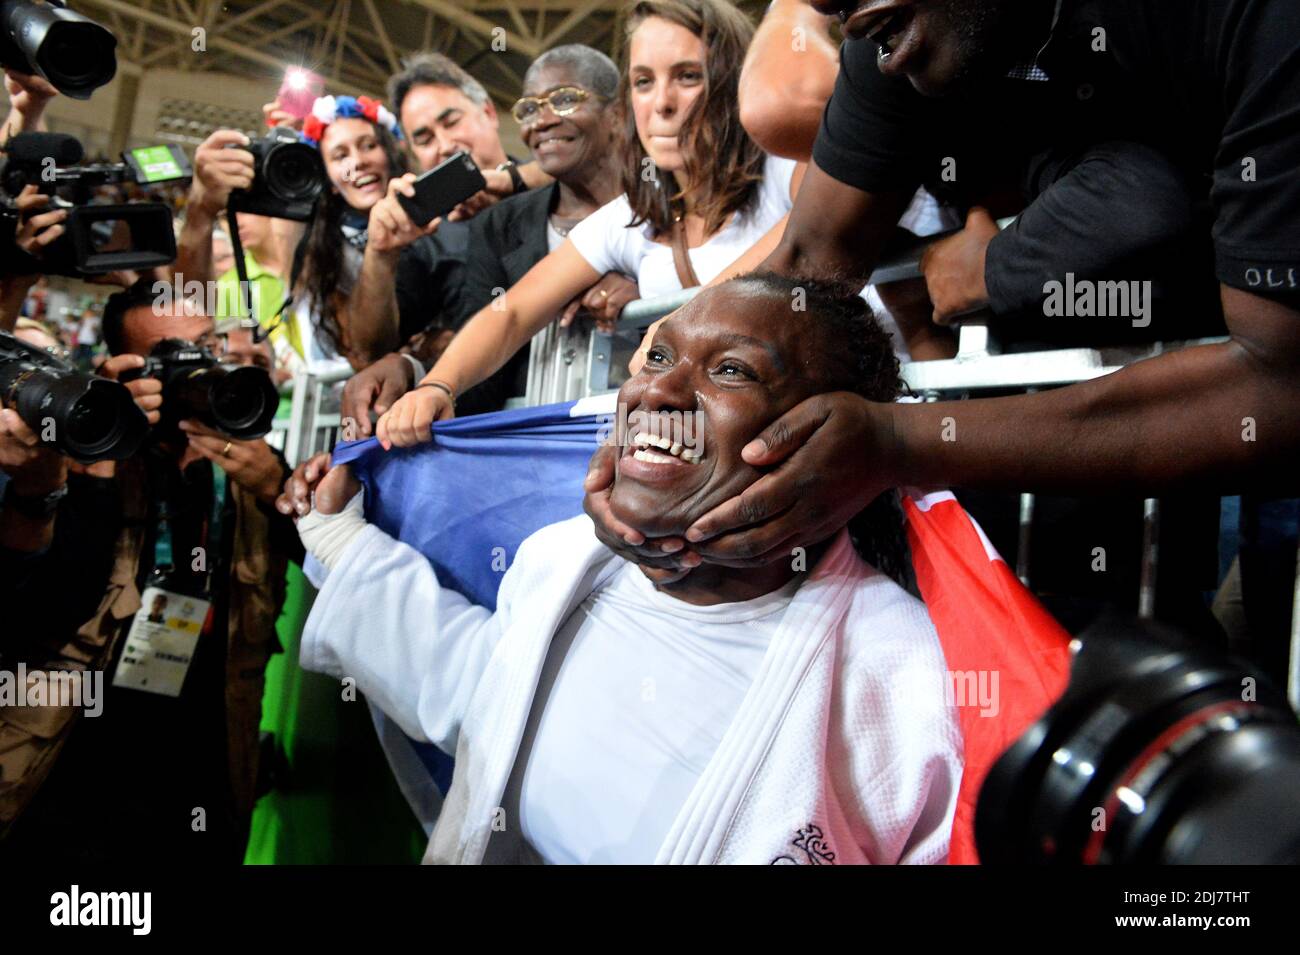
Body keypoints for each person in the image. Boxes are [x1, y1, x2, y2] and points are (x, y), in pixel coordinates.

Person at [583, 0, 1300, 593]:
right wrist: (651, 404)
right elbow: (807, 264)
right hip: (1083, 424)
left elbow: (1281, 380)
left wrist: (899, 437)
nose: (826, 7)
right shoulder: (891, 33)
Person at [280, 274, 961, 865]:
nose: (656, 388)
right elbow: (484, 697)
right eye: (657, 354)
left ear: (835, 443)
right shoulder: (566, 558)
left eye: (731, 370)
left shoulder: (904, 680)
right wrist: (338, 537)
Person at [0, 280, 300, 863]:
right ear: (125, 367)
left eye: (206, 350)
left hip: (207, 743)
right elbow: (47, 613)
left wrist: (277, 491)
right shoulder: (84, 458)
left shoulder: (248, 462)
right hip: (78, 753)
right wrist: (100, 451)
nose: (197, 373)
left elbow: (334, 567)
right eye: (171, 360)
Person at [342, 44, 634, 427]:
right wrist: (427, 378)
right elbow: (489, 350)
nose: (445, 144)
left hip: (661, 433)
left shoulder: (660, 196)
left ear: (488, 113)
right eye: (424, 138)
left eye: (451, 121)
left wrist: (645, 293)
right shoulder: (455, 232)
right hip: (539, 438)